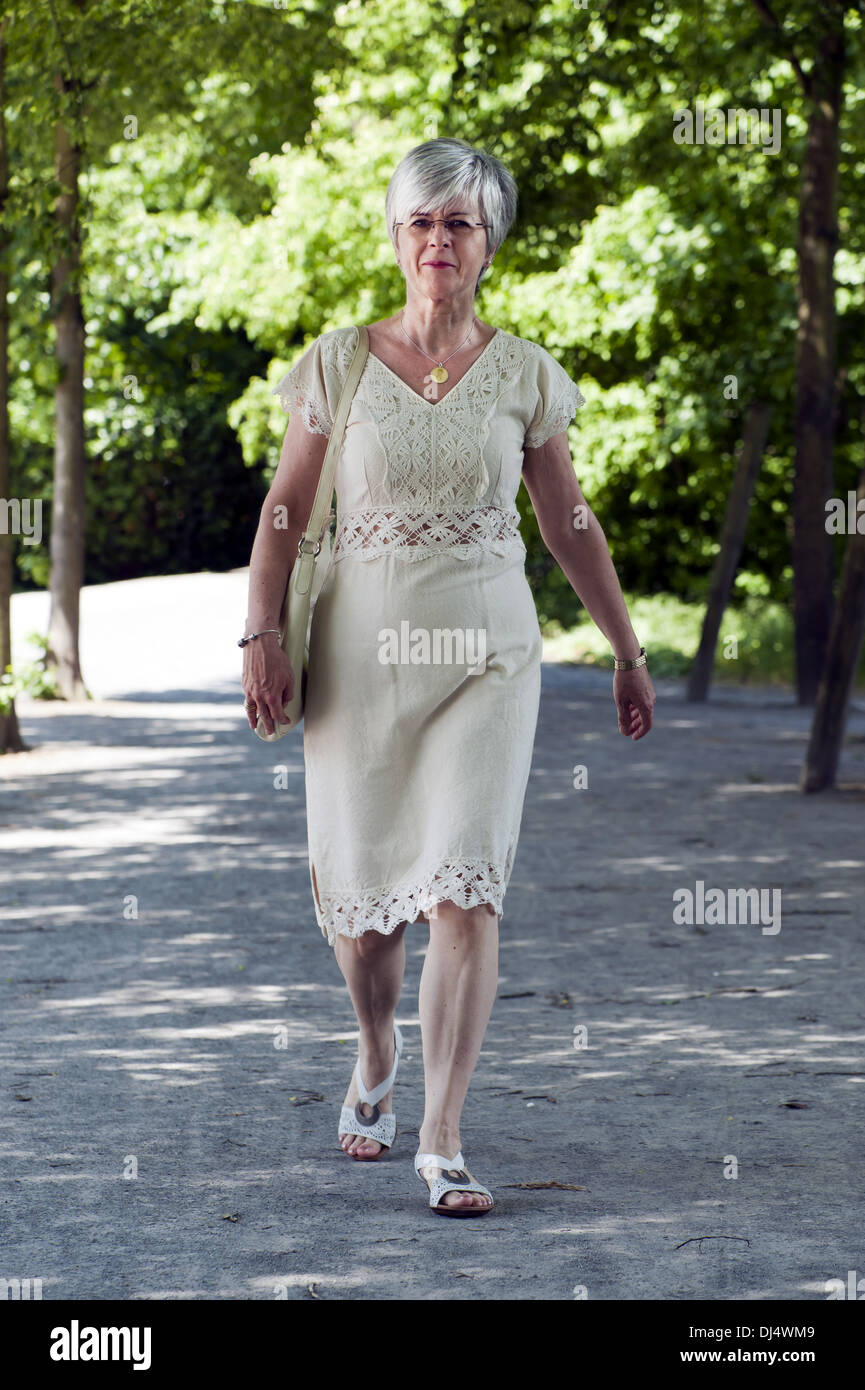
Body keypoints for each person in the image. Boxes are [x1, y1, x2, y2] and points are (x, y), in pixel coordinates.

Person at [241, 137, 655, 1217]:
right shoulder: (335, 363)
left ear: (488, 243)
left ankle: (444, 1138)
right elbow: (283, 512)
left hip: (487, 656)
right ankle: (375, 1047)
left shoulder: (524, 374)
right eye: (420, 221)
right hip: (355, 662)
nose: (438, 240)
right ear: (395, 237)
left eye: (459, 223)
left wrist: (625, 645)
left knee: (463, 890)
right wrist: (260, 635)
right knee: (367, 921)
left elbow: (567, 522)